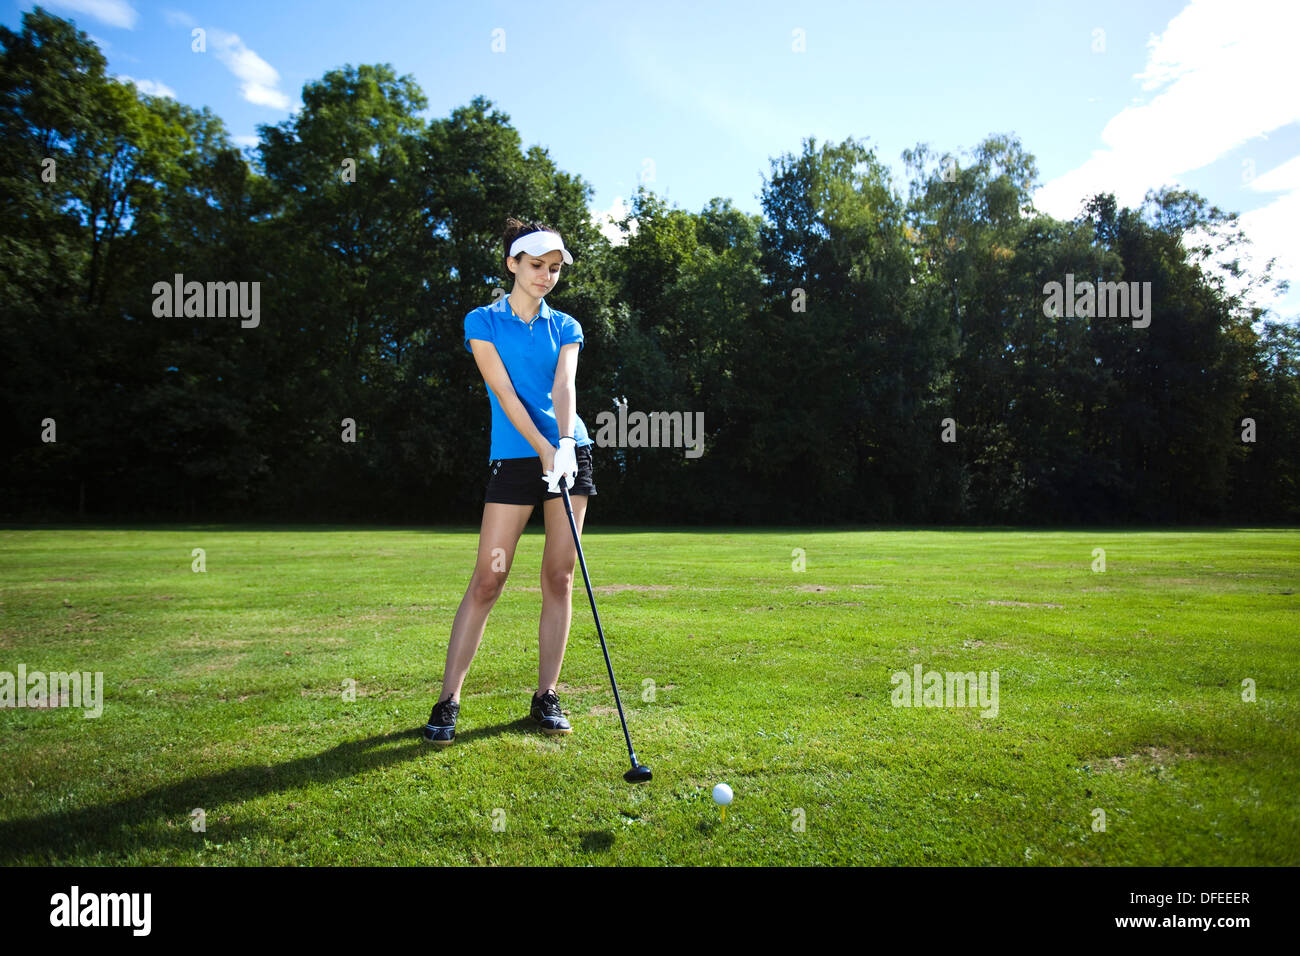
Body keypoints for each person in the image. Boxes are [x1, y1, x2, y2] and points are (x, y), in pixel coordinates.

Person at [422, 218, 597, 746]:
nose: (546, 276)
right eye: (538, 266)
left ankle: (546, 695)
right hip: (518, 459)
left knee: (559, 578)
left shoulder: (565, 325)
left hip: (571, 454)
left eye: (554, 269)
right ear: (512, 264)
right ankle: (449, 698)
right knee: (489, 579)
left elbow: (563, 384)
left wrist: (565, 444)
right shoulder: (483, 321)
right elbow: (505, 393)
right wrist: (544, 448)